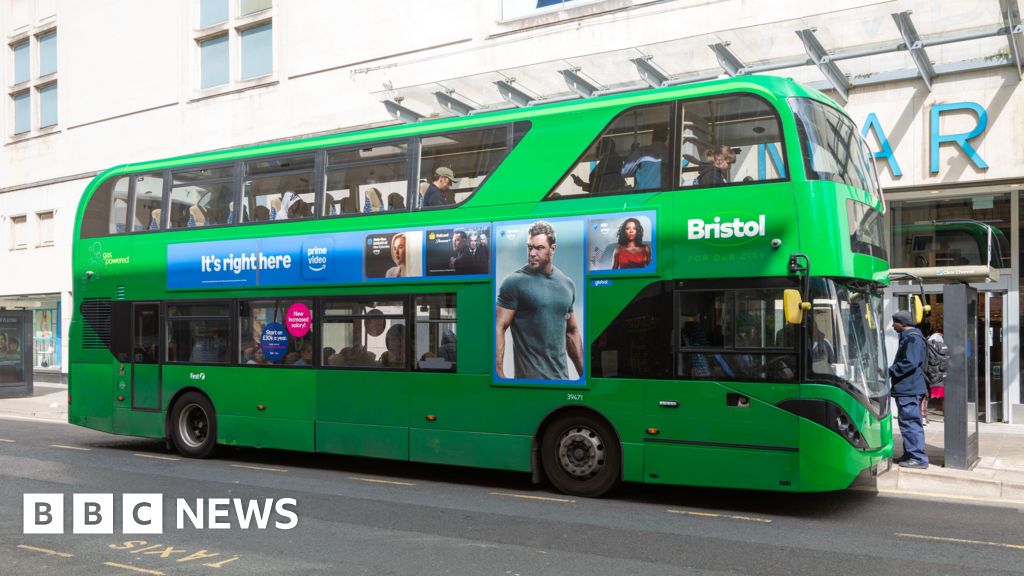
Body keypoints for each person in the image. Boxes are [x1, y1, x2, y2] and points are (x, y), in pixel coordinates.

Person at [495, 221, 583, 380]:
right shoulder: (514, 282)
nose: (532, 253)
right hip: (530, 385)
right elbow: (498, 326)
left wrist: (584, 374)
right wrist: (499, 373)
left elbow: (572, 331)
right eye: (529, 247)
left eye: (539, 247)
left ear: (552, 249)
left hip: (562, 381)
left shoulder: (567, 284)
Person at [889, 310, 929, 469]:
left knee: (911, 423)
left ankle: (918, 458)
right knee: (908, 423)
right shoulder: (912, 337)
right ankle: (910, 453)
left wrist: (891, 371)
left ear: (903, 324)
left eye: (895, 322)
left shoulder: (912, 339)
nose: (893, 325)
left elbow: (910, 363)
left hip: (909, 388)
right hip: (910, 387)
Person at [621, 126, 668, 190]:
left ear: (653, 136)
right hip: (664, 195)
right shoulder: (671, 154)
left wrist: (632, 153)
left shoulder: (641, 152)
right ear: (666, 137)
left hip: (643, 195)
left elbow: (625, 172)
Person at [924, 321, 949, 422]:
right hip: (942, 372)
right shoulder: (942, 342)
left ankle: (924, 415)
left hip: (932, 372)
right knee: (944, 396)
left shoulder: (929, 341)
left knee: (926, 395)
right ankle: (946, 416)